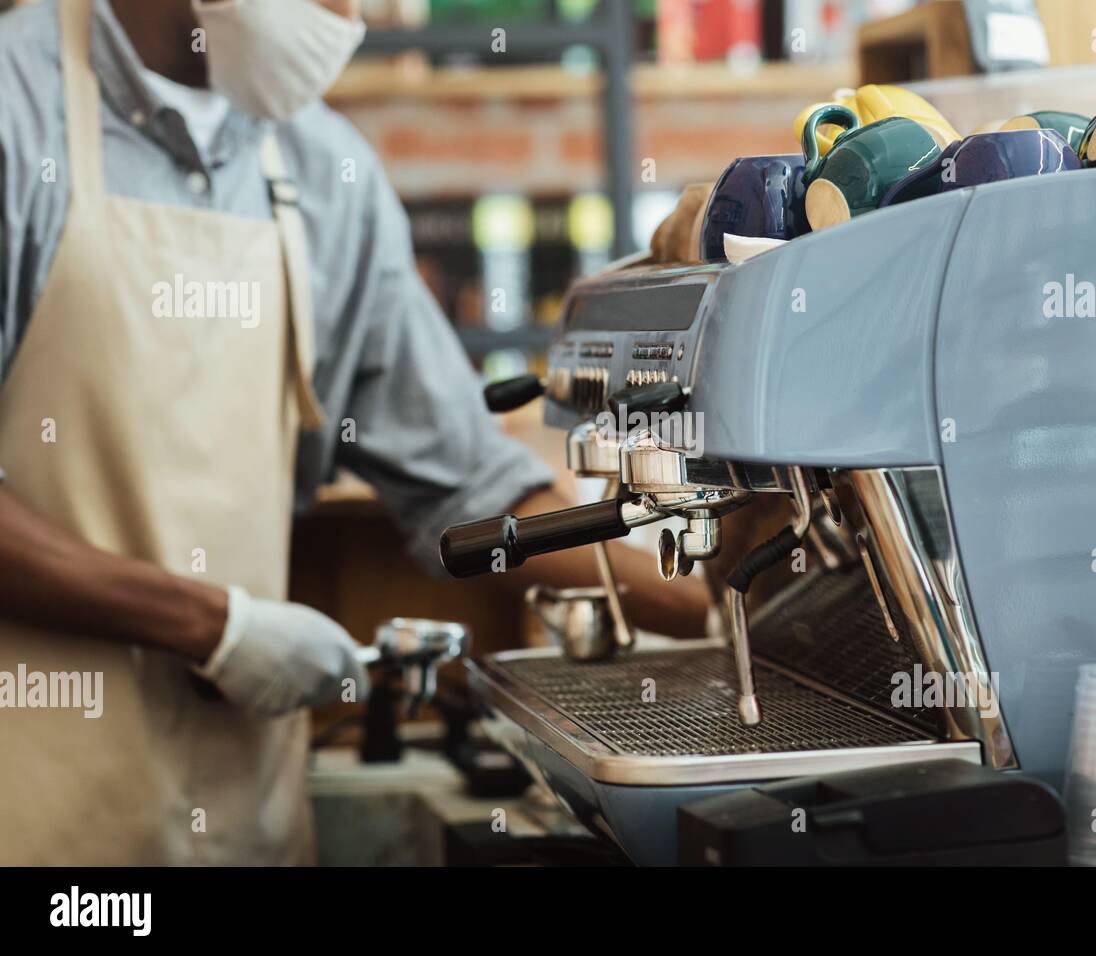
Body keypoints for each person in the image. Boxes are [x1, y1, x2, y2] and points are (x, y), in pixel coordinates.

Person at [0, 0, 709, 865]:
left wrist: (719, 604)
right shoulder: (14, 107)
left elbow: (470, 487)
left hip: (242, 815)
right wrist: (210, 625)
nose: (364, 12)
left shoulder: (321, 168)